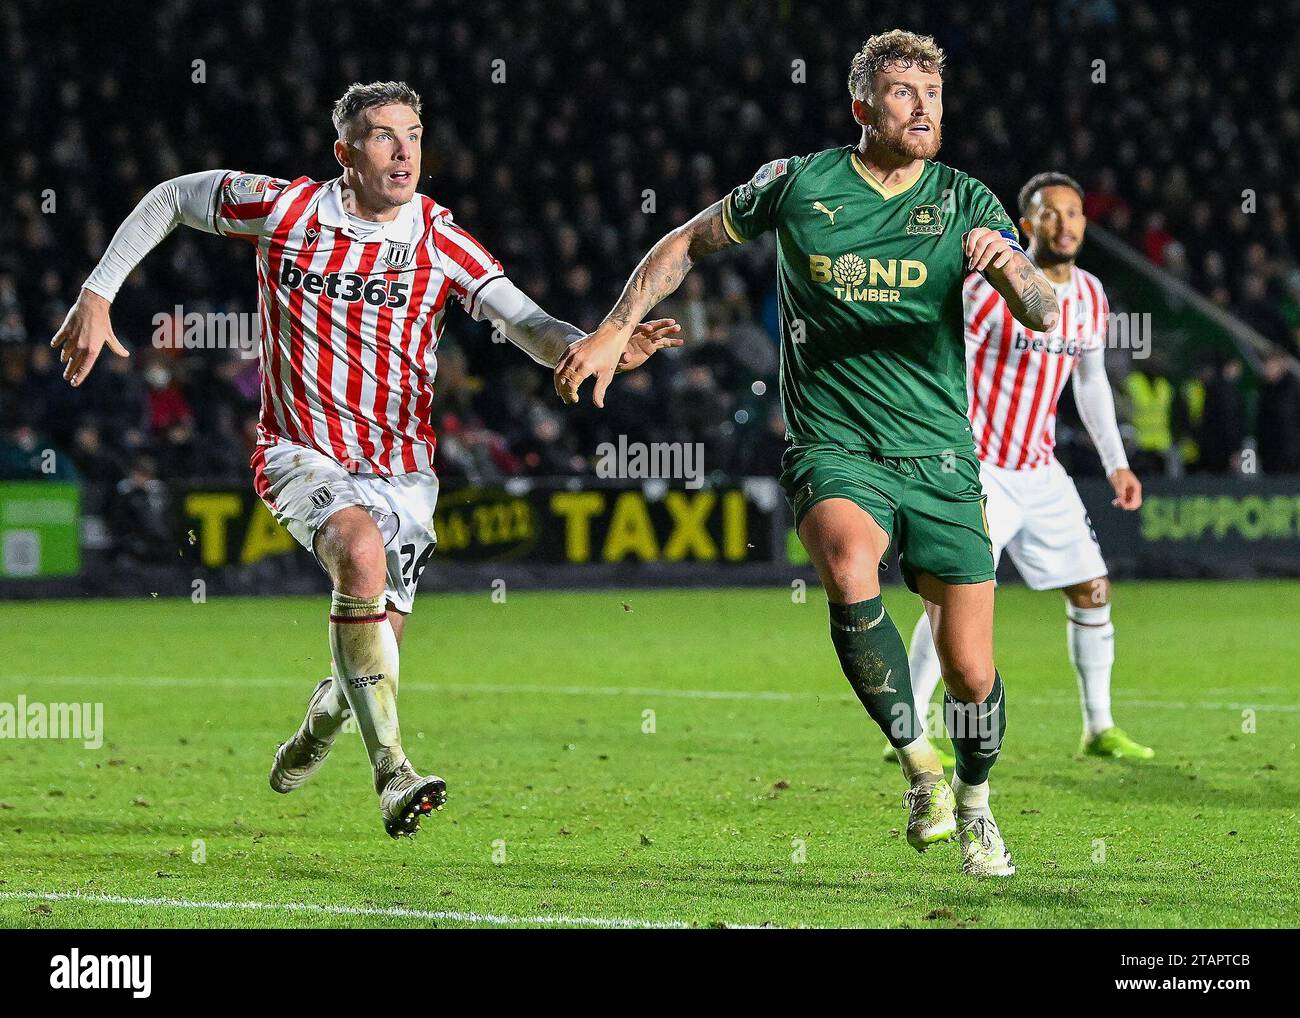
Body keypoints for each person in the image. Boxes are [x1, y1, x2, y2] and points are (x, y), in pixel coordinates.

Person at [50, 80, 680, 839]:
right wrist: (97, 292)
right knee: (360, 554)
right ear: (344, 152)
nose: (404, 149)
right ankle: (394, 773)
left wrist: (597, 348)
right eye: (383, 135)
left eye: (413, 133)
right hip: (300, 452)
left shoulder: (442, 240)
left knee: (374, 653)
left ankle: (324, 719)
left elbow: (528, 325)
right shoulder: (285, 210)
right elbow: (173, 196)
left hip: (405, 474)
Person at [553, 32, 1061, 876]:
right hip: (834, 442)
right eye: (903, 92)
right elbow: (684, 241)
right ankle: (920, 766)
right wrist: (612, 328)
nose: (924, 107)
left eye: (933, 92)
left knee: (973, 674)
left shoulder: (966, 196)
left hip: (938, 455)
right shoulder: (798, 183)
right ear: (861, 106)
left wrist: (1011, 266)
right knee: (846, 561)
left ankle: (975, 801)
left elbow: (1042, 310)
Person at [906, 172, 1153, 765]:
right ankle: (911, 727)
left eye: (1073, 213)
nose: (1064, 223)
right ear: (1025, 225)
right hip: (978, 468)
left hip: (1040, 471)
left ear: (1085, 225)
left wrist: (1115, 462)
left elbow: (1089, 382)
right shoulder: (989, 290)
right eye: (1049, 213)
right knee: (954, 597)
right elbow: (936, 354)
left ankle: (1099, 727)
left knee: (1093, 590)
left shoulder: (1091, 294)